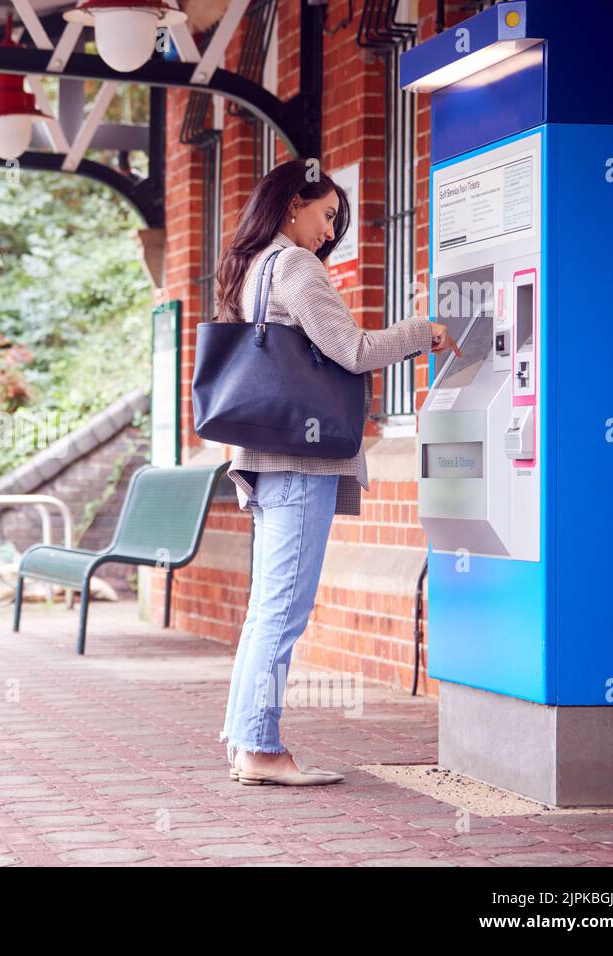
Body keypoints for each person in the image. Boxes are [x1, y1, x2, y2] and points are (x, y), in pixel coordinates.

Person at [212, 159, 460, 787]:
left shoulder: (252, 269)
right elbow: (350, 349)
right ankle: (261, 748)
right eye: (327, 216)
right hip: (300, 461)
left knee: (265, 611)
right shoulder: (293, 265)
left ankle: (247, 743)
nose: (330, 233)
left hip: (268, 461)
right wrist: (422, 332)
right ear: (294, 203)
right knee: (282, 613)